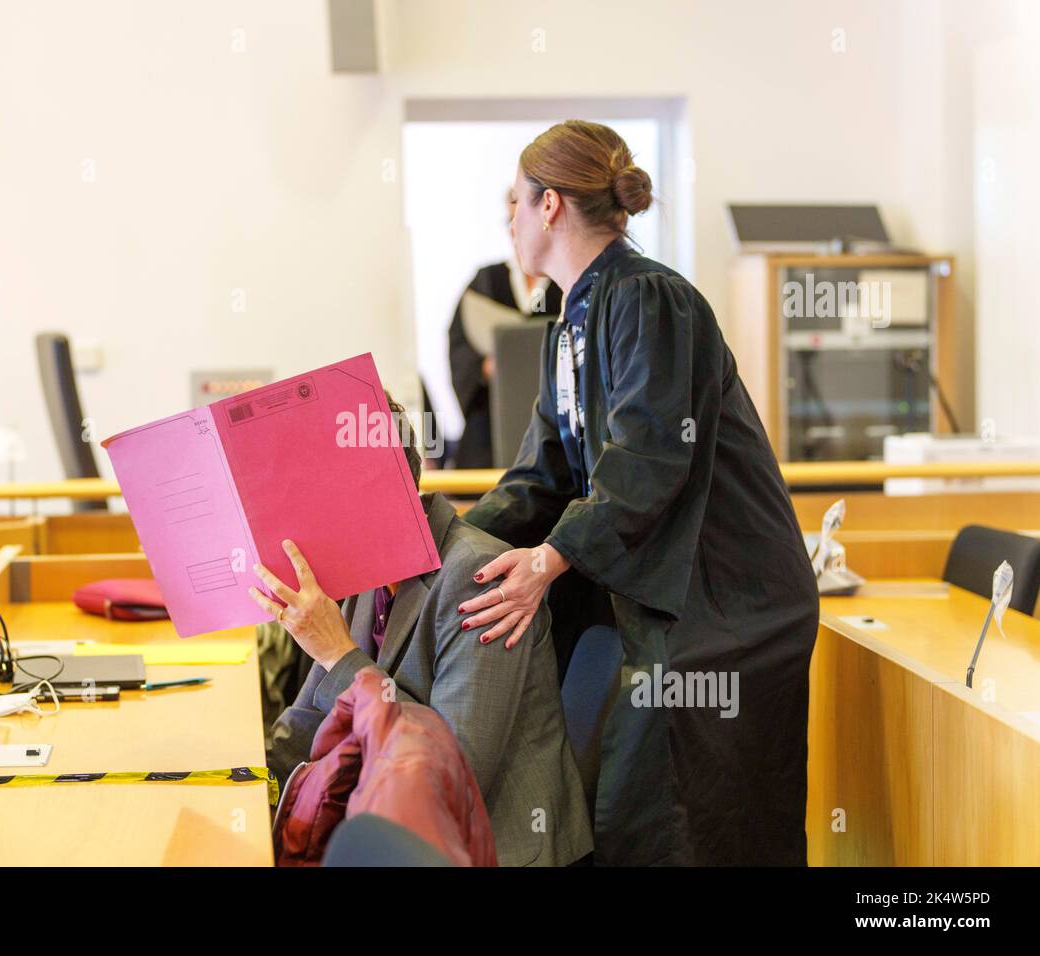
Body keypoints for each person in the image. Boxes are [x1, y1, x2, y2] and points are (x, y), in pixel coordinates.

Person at [457, 121, 819, 866]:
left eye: (516, 208)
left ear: (549, 205)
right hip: (668, 604)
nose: (512, 225)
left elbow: (649, 460)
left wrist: (548, 562)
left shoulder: (649, 299)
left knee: (695, 826)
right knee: (629, 811)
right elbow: (544, 474)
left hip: (728, 607)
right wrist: (445, 548)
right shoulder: (571, 323)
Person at [257, 397, 592, 866]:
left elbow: (453, 772)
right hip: (401, 832)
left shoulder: (478, 572)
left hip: (492, 848)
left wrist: (339, 653)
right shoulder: (365, 571)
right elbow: (310, 715)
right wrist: (246, 781)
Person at [448, 189, 563, 469]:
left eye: (521, 220)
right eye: (509, 221)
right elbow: (459, 345)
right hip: (492, 423)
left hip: (555, 423)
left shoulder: (565, 284)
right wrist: (486, 367)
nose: (514, 230)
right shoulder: (486, 281)